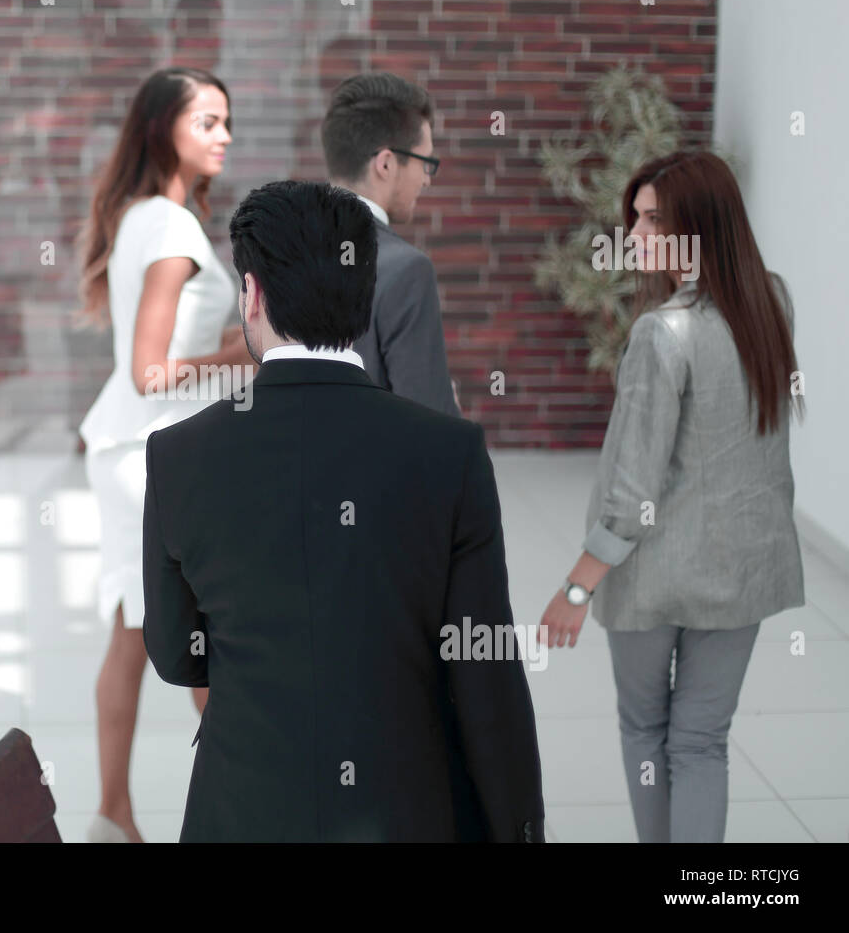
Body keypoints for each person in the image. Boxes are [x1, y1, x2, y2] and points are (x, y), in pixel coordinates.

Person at [142, 180, 545, 841]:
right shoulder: (451, 452)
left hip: (241, 808)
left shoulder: (178, 454)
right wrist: (522, 828)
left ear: (252, 295)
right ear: (365, 294)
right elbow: (487, 675)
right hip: (408, 810)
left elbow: (175, 655)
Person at [539, 150, 805, 843]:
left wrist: (575, 589)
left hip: (655, 575)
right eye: (634, 217)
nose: (635, 234)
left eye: (653, 219)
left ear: (700, 225)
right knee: (703, 741)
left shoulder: (663, 332)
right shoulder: (773, 301)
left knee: (647, 732)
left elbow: (632, 491)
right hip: (745, 568)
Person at [76, 67, 255, 843]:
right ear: (162, 131)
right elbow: (153, 370)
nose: (223, 136)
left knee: (132, 629)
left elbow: (158, 360)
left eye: (226, 122)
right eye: (206, 122)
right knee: (209, 639)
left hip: (130, 450)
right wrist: (249, 354)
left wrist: (226, 348)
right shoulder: (174, 229)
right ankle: (246, 811)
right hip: (159, 456)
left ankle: (114, 816)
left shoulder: (142, 216)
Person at [322, 72, 460, 415]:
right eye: (425, 163)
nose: (427, 180)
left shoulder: (279, 249)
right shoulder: (405, 269)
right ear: (385, 163)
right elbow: (429, 425)